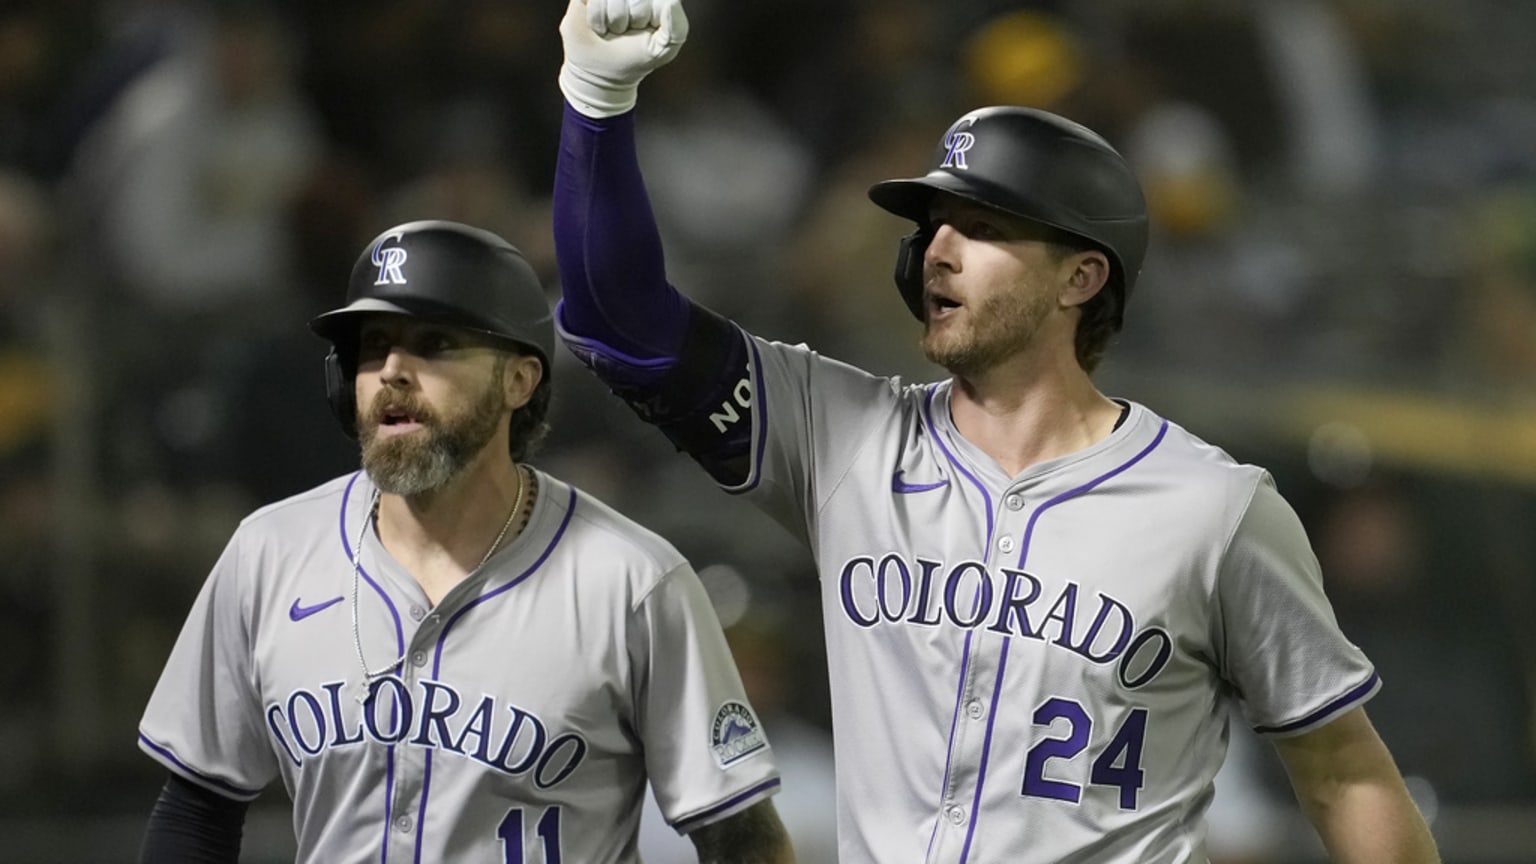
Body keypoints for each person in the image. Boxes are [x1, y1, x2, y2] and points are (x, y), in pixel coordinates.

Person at [549, 1, 1442, 861]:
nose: (936, 250)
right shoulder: (843, 439)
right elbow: (618, 324)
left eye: (980, 229)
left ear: (1080, 278)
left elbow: (1343, 775)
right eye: (934, 226)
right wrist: (597, 103)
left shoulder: (1215, 510)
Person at [135, 219, 795, 863]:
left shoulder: (630, 582)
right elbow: (196, 810)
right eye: (373, 346)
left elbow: (743, 840)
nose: (393, 370)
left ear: (519, 380)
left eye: (434, 344)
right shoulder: (269, 554)